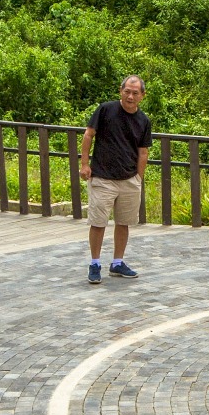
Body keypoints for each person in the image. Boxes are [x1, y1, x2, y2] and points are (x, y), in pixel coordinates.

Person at [79, 75, 151, 285]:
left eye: (135, 93)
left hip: (129, 179)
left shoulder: (144, 120)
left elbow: (143, 151)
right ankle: (95, 263)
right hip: (102, 177)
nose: (130, 96)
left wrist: (138, 177)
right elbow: (88, 135)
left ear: (142, 95)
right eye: (127, 91)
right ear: (121, 91)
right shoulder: (105, 109)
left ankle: (117, 263)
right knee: (98, 222)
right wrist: (85, 164)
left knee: (124, 222)